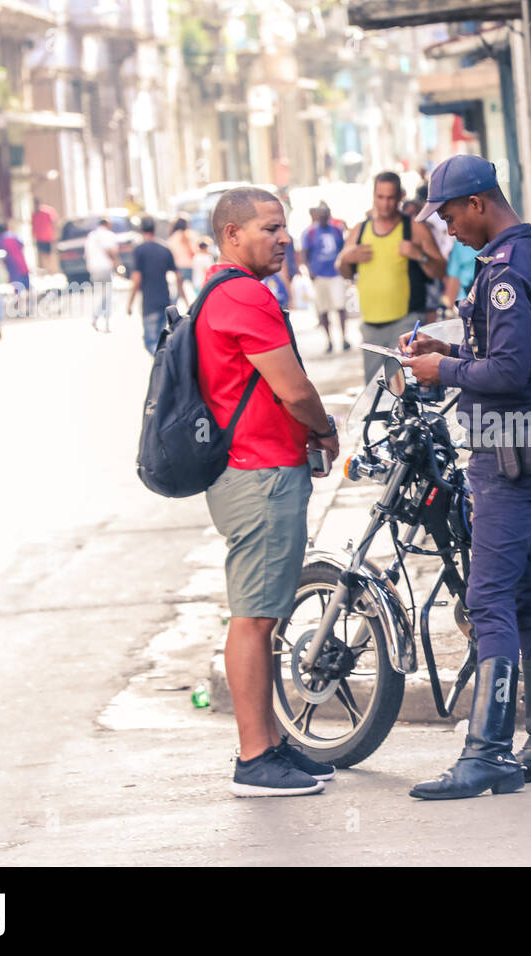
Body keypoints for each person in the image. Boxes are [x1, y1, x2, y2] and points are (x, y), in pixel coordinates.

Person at [401, 155, 531, 799]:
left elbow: (507, 374)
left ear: (478, 203)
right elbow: (511, 357)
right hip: (521, 445)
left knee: (487, 600)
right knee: (529, 593)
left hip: (509, 452)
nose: (447, 230)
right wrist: (448, 353)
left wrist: (438, 374)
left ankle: (488, 755)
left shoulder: (506, 272)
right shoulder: (519, 263)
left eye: (449, 215)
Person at [196, 186, 340, 797]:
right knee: (253, 619)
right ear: (233, 235)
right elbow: (295, 389)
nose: (284, 238)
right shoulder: (244, 297)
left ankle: (273, 744)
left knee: (264, 613)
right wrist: (326, 429)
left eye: (283, 227)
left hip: (253, 471)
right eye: (269, 228)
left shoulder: (222, 292)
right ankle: (254, 758)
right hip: (258, 475)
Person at [336, 171, 446, 382]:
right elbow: (345, 272)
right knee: (375, 389)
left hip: (406, 322)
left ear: (400, 197)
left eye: (391, 197)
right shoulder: (360, 230)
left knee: (410, 385)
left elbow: (440, 270)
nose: (385, 204)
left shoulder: (414, 229)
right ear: (373, 196)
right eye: (380, 197)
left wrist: (419, 255)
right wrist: (346, 258)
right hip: (370, 326)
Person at [127, 216, 187, 354]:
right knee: (163, 341)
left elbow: (137, 278)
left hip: (149, 303)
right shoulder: (164, 249)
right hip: (165, 300)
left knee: (151, 343)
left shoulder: (139, 250)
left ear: (141, 230)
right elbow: (178, 276)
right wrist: (184, 298)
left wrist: (130, 303)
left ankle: (161, 369)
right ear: (154, 229)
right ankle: (164, 367)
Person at [300, 203, 348, 352]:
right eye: (320, 215)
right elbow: (304, 253)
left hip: (335, 274)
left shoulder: (336, 229)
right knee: (324, 310)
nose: (323, 218)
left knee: (340, 307)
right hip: (319, 275)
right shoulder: (310, 232)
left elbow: (343, 248)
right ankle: (329, 340)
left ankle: (344, 338)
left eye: (325, 215)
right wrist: (309, 271)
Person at [83, 218, 119, 332]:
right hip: (105, 267)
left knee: (103, 295)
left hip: (93, 269)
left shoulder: (91, 236)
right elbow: (110, 250)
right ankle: (104, 321)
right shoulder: (108, 235)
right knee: (107, 296)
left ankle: (97, 317)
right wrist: (117, 264)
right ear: (106, 224)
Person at [0, 222, 31, 313]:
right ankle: (28, 307)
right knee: (26, 287)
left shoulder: (1, 240)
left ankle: (21, 308)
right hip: (22, 264)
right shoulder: (12, 236)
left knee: (18, 288)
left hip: (13, 266)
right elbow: (22, 245)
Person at [167, 217, 198, 300]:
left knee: (177, 292)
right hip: (189, 265)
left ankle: (171, 310)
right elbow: (192, 251)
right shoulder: (187, 235)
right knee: (197, 289)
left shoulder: (172, 237)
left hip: (177, 266)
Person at [31, 198, 58, 275]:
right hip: (39, 238)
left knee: (49, 254)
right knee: (43, 254)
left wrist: (54, 234)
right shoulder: (34, 214)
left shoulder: (47, 212)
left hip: (48, 237)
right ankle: (47, 269)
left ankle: (52, 270)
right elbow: (33, 226)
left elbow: (53, 223)